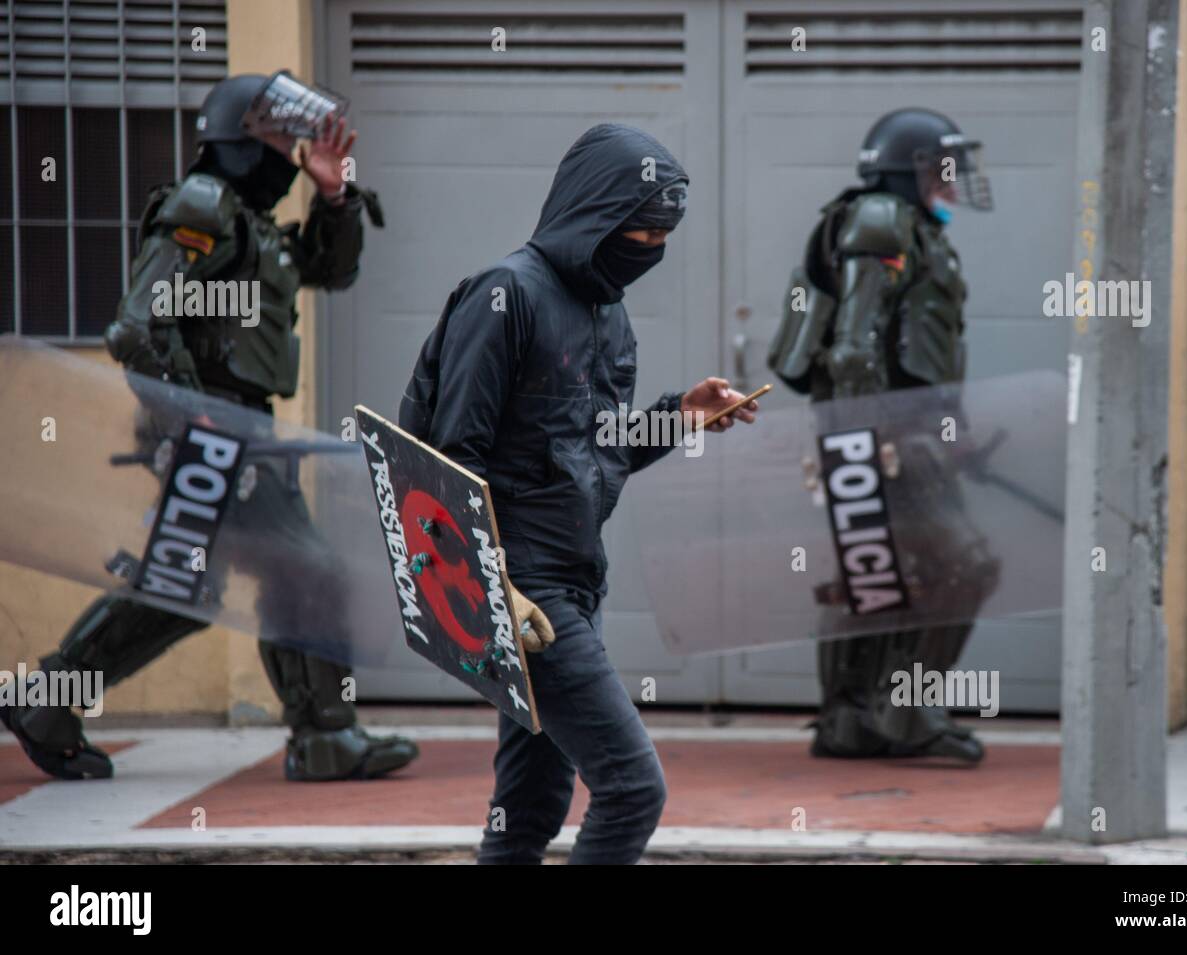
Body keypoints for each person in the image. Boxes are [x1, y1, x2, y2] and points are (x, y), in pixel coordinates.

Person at [0, 71, 417, 782]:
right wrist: (194, 417)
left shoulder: (249, 225)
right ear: (241, 136)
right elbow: (136, 325)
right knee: (308, 572)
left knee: (183, 588)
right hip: (212, 428)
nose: (291, 153)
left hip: (227, 428)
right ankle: (324, 735)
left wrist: (334, 196)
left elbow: (329, 267)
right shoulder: (203, 205)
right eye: (282, 140)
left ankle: (47, 702)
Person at [400, 123, 759, 864]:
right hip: (522, 587)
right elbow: (448, 455)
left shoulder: (607, 312)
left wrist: (681, 418)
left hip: (575, 584)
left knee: (528, 807)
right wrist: (489, 583)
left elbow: (592, 447)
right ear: (594, 213)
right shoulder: (506, 296)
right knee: (632, 787)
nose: (650, 248)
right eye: (639, 229)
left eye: (664, 235)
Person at [768, 108, 995, 763]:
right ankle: (907, 713)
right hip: (877, 434)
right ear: (914, 168)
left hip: (882, 433)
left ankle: (850, 721)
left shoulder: (908, 226)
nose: (956, 179)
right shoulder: (881, 220)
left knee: (873, 576)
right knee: (962, 567)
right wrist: (866, 441)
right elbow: (854, 347)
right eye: (945, 166)